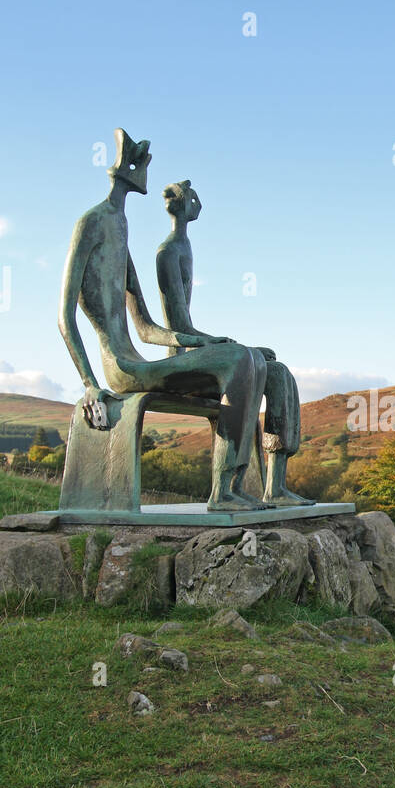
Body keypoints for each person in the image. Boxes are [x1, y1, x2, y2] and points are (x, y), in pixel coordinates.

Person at [58, 129, 264, 511]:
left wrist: (208, 342)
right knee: (239, 360)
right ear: (127, 172)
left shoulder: (121, 227)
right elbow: (64, 316)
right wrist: (89, 385)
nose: (148, 175)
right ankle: (221, 492)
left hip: (139, 356)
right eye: (142, 166)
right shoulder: (91, 222)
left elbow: (146, 327)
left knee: (247, 356)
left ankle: (239, 484)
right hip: (122, 367)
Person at [156, 178, 314, 506]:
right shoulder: (168, 251)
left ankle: (275, 486)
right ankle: (222, 491)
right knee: (246, 363)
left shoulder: (185, 248)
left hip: (199, 352)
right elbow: (179, 325)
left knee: (279, 373)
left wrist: (241, 348)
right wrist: (230, 347)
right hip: (179, 359)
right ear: (186, 206)